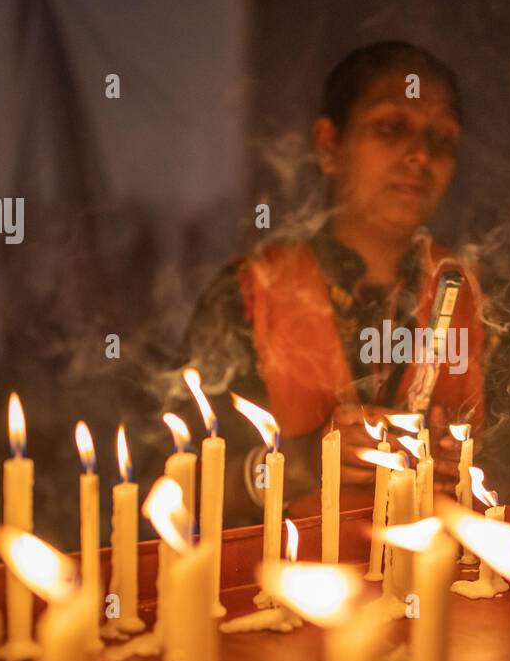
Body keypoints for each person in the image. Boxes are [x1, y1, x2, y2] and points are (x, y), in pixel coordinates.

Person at [179, 41, 488, 523]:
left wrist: (463, 467)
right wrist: (302, 463)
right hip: (279, 589)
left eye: (442, 139)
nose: (420, 155)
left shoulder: (479, 297)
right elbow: (182, 490)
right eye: (392, 128)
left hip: (444, 587)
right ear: (328, 145)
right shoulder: (251, 291)